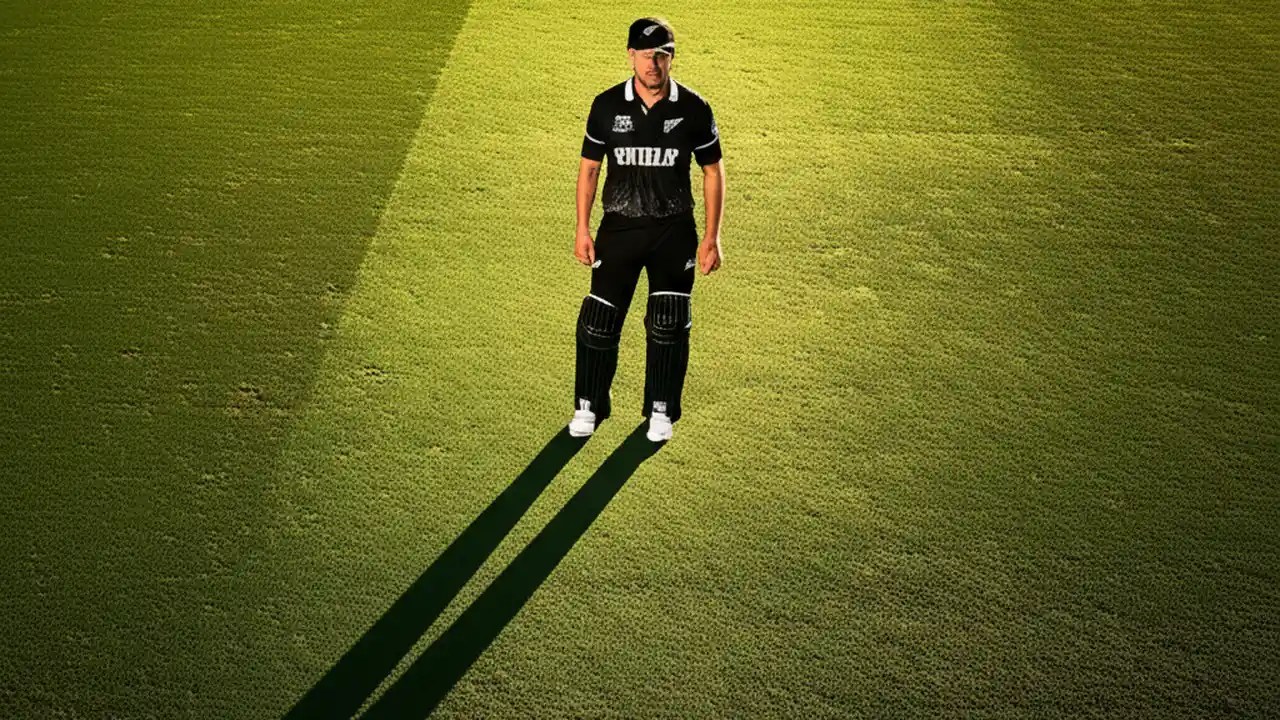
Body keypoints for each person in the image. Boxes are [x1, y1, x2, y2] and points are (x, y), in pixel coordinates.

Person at [568, 16, 726, 443]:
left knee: (668, 323)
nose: (652, 64)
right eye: (645, 55)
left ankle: (661, 410)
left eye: (661, 55)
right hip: (618, 229)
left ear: (671, 57)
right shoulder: (605, 106)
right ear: (630, 56)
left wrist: (712, 237)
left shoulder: (695, 109)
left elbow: (713, 172)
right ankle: (589, 405)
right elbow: (589, 170)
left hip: (673, 230)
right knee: (598, 320)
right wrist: (583, 229)